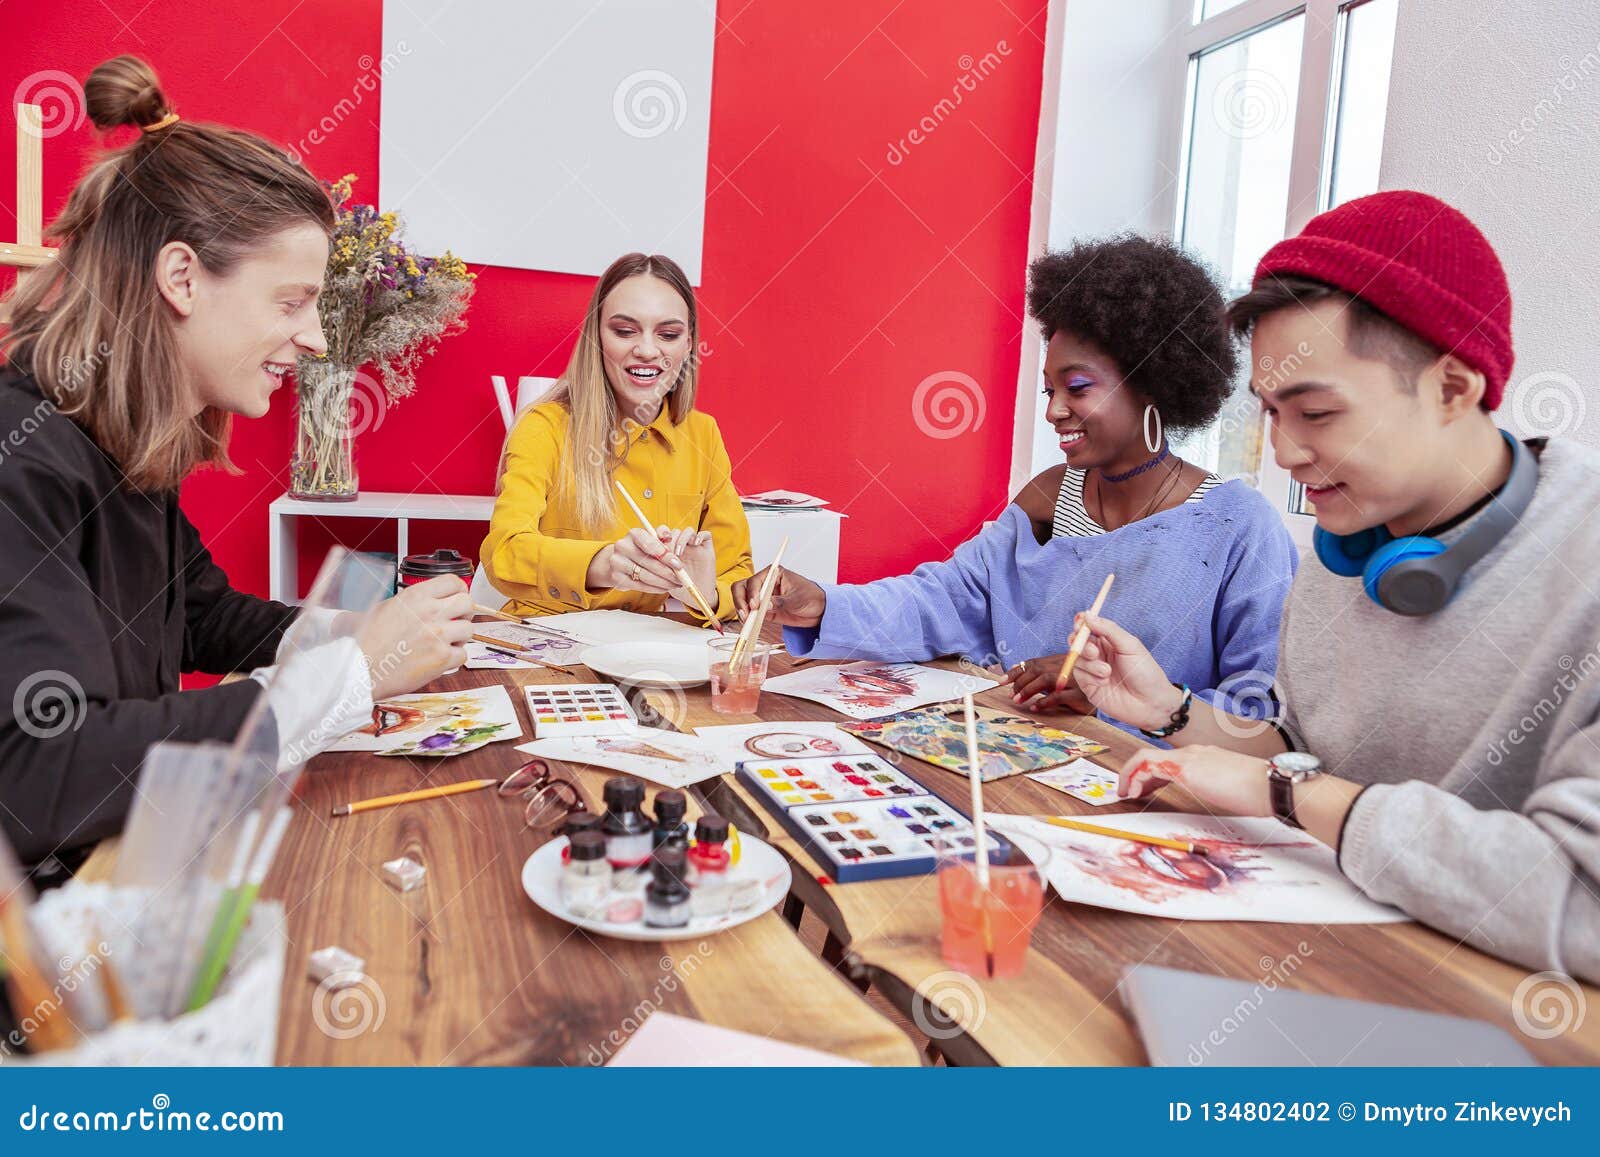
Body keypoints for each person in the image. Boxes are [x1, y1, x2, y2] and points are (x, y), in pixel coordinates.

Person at [1067, 191, 1600, 982]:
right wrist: (1174, 712)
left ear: (1454, 388)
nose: (1283, 451)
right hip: (1328, 963)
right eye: (1271, 413)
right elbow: (1303, 753)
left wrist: (1288, 799)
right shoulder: (1343, 546)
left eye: (1316, 412)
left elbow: (1581, 906)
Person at [0, 56, 470, 870]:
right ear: (181, 275)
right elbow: (40, 770)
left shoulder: (121, 440)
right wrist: (351, 675)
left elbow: (201, 613)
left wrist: (354, 636)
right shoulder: (23, 461)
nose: (318, 339)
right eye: (290, 303)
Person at [734, 236, 1296, 729]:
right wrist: (823, 605)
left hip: (1152, 798)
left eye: (1077, 388)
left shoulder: (1239, 527)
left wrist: (1116, 701)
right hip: (1015, 772)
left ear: (1153, 383)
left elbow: (1260, 717)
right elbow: (943, 599)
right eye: (1050, 391)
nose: (1054, 412)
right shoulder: (1049, 498)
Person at [482, 253, 752, 622]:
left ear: (689, 344)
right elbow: (504, 552)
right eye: (624, 331)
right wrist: (602, 564)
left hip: (643, 649)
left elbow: (738, 574)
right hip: (546, 637)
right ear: (596, 338)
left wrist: (704, 590)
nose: (646, 349)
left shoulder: (703, 435)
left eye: (669, 334)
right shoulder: (543, 426)